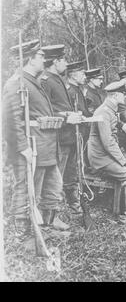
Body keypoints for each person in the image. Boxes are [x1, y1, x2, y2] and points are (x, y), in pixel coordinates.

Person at [2, 39, 68, 240]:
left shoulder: (34, 82)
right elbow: (11, 120)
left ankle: (46, 226)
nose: (44, 59)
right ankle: (23, 234)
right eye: (41, 56)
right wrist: (23, 147)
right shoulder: (16, 83)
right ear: (30, 58)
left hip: (46, 147)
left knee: (52, 187)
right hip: (30, 147)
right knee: (26, 189)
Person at [87, 79, 126, 227]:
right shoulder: (103, 112)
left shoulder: (111, 110)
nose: (125, 97)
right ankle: (123, 217)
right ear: (114, 96)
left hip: (109, 154)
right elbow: (108, 143)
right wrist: (124, 161)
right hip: (100, 158)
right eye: (122, 94)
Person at [40, 44, 82, 214]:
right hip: (59, 137)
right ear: (55, 61)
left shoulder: (58, 80)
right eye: (64, 60)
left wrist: (73, 114)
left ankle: (73, 205)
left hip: (69, 136)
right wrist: (66, 117)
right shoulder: (46, 81)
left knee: (71, 173)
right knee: (57, 175)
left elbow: (61, 106)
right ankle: (54, 211)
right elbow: (46, 111)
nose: (66, 64)